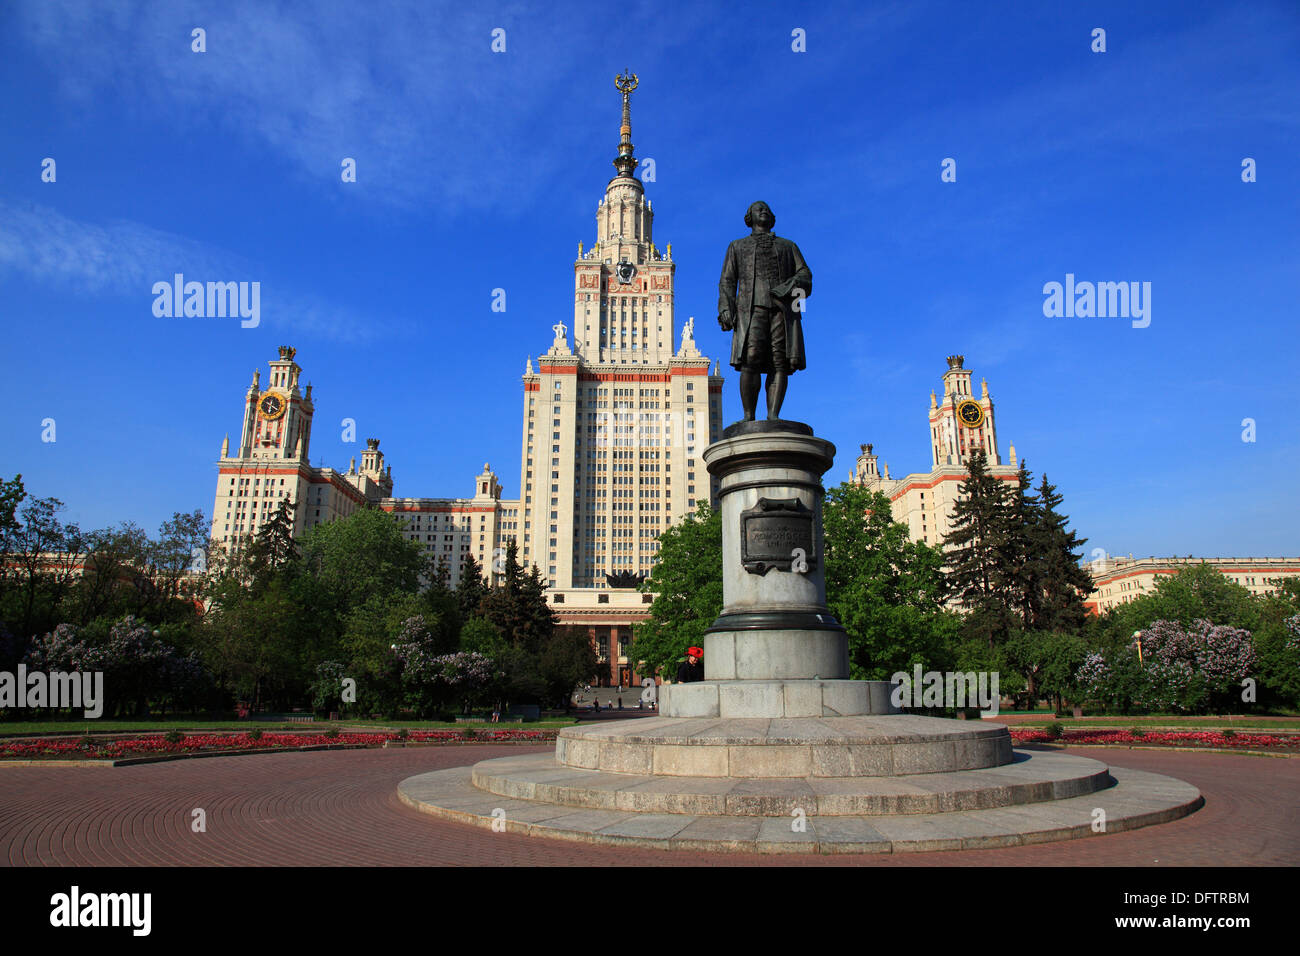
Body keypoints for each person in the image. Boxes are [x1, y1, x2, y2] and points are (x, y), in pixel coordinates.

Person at [717, 201, 812, 421]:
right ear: (749, 217)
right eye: (759, 209)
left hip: (781, 311)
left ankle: (773, 416)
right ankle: (748, 417)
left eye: (767, 209)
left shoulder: (788, 246)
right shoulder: (737, 246)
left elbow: (805, 276)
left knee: (780, 361)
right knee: (750, 359)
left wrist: (787, 288)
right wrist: (725, 308)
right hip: (750, 310)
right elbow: (727, 281)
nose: (764, 211)